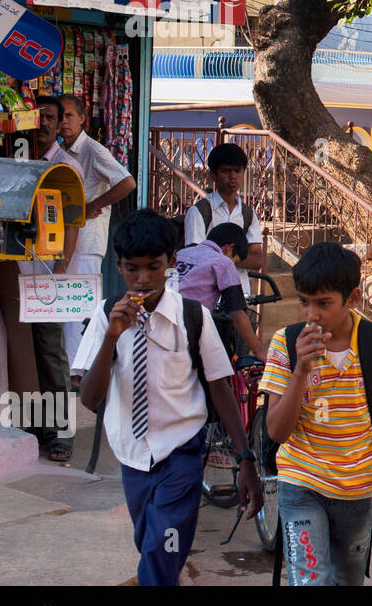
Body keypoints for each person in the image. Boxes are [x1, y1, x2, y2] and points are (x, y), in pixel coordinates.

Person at [72, 209, 261, 586]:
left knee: (164, 548)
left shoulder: (194, 317)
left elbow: (219, 387)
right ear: (119, 265)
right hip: (132, 456)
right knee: (152, 545)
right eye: (132, 268)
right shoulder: (106, 315)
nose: (143, 279)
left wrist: (245, 459)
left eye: (153, 267)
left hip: (180, 454)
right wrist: (112, 336)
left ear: (172, 262)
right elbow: (90, 399)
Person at [260, 242, 372, 586]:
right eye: (304, 301)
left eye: (323, 303)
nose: (311, 314)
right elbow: (276, 431)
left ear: (353, 299)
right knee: (310, 581)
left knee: (348, 581)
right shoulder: (285, 344)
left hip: (358, 491)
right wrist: (300, 371)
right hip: (301, 482)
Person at [22, 95, 82, 460]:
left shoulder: (65, 165)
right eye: (38, 117)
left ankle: (62, 433)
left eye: (49, 118)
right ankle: (36, 425)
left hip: (47, 271)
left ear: (60, 124)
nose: (42, 123)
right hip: (13, 268)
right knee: (23, 350)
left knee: (50, 351)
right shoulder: (19, 160)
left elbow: (73, 222)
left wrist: (59, 271)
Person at [58, 93, 136, 366]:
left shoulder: (93, 150)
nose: (64, 122)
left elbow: (127, 182)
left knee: (79, 306)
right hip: (70, 238)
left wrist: (93, 204)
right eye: (61, 116)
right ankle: (72, 366)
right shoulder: (64, 151)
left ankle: (81, 368)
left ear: (82, 119)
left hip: (88, 238)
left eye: (69, 116)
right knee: (68, 304)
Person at [171, 222, 266, 359]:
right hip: (187, 328)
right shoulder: (223, 262)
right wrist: (259, 351)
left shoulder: (182, 253)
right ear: (229, 248)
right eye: (234, 260)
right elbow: (236, 313)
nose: (232, 263)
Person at [182, 142, 264, 293]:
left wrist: (221, 257)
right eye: (226, 171)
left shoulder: (248, 213)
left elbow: (257, 259)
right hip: (208, 294)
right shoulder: (200, 212)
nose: (233, 177)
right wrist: (235, 257)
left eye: (237, 171)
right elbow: (196, 259)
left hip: (240, 292)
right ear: (213, 175)